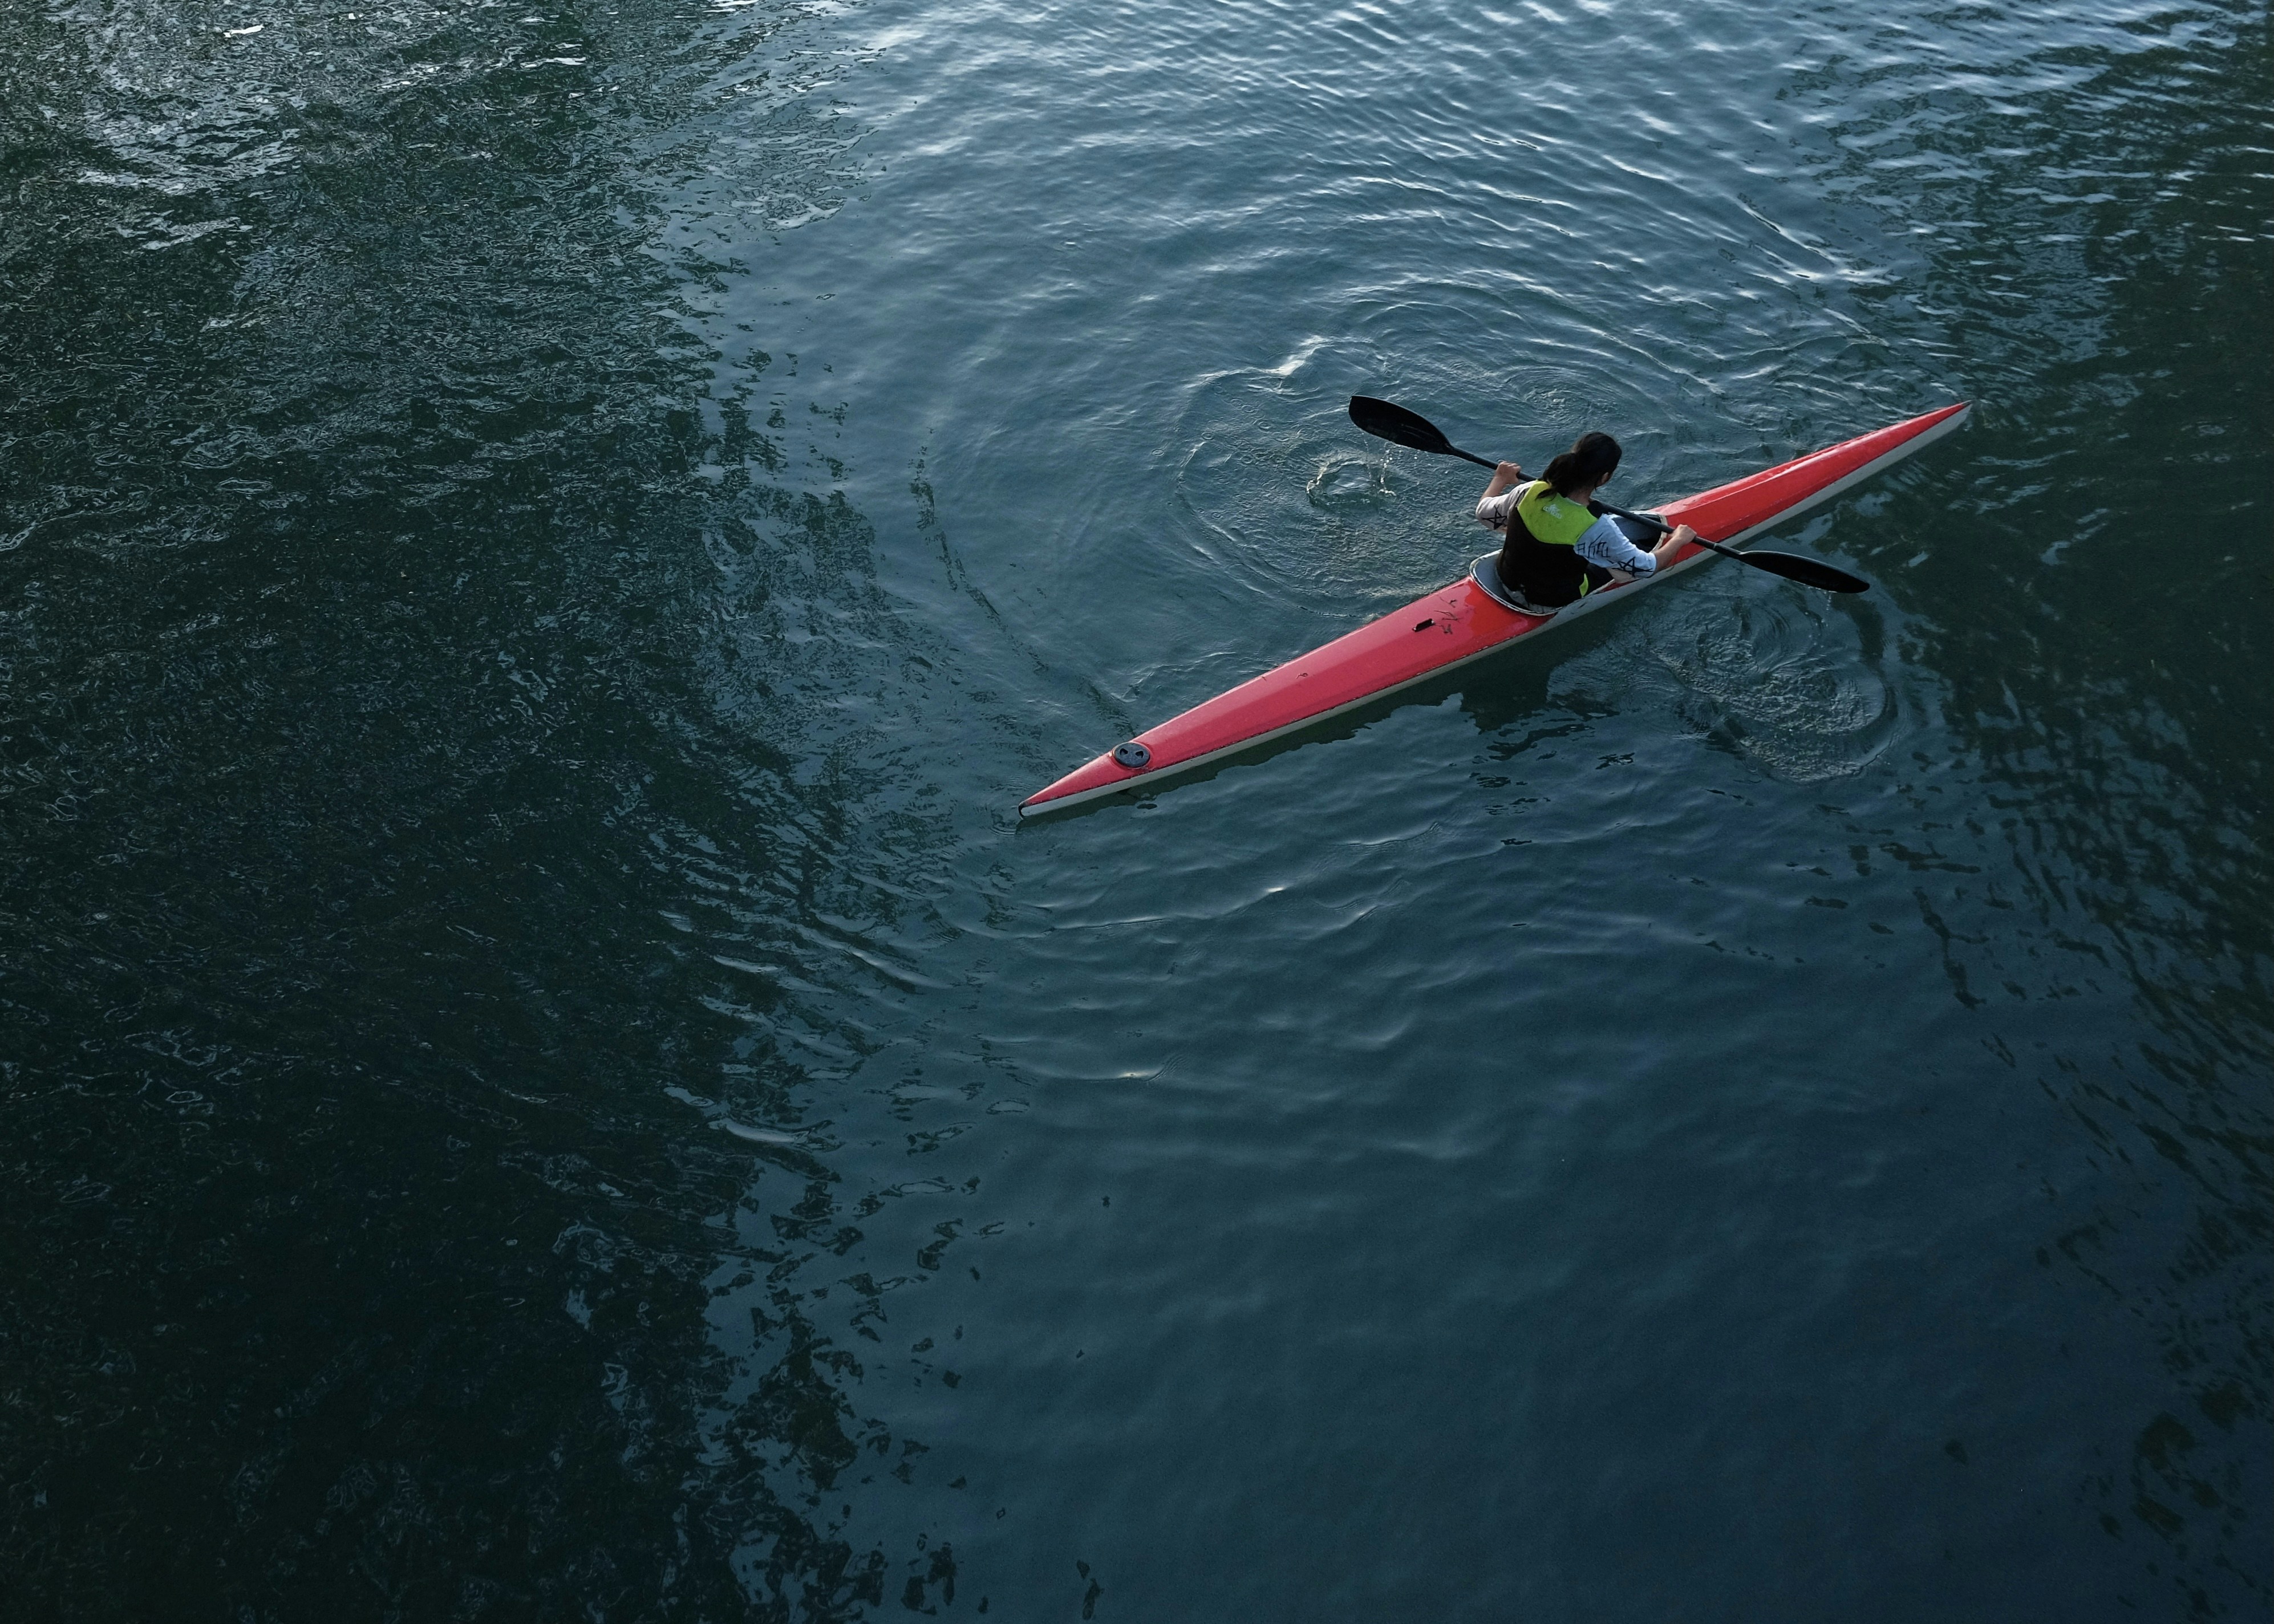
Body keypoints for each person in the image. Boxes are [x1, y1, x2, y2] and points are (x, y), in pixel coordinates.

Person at [1475, 431, 1695, 614]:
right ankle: (1612, 567)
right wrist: (1678, 540)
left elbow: (1485, 516)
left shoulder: (1529, 490)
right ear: (1605, 478)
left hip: (1504, 577)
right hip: (1545, 603)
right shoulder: (1597, 526)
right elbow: (1646, 568)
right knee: (1620, 566)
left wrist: (1500, 479)